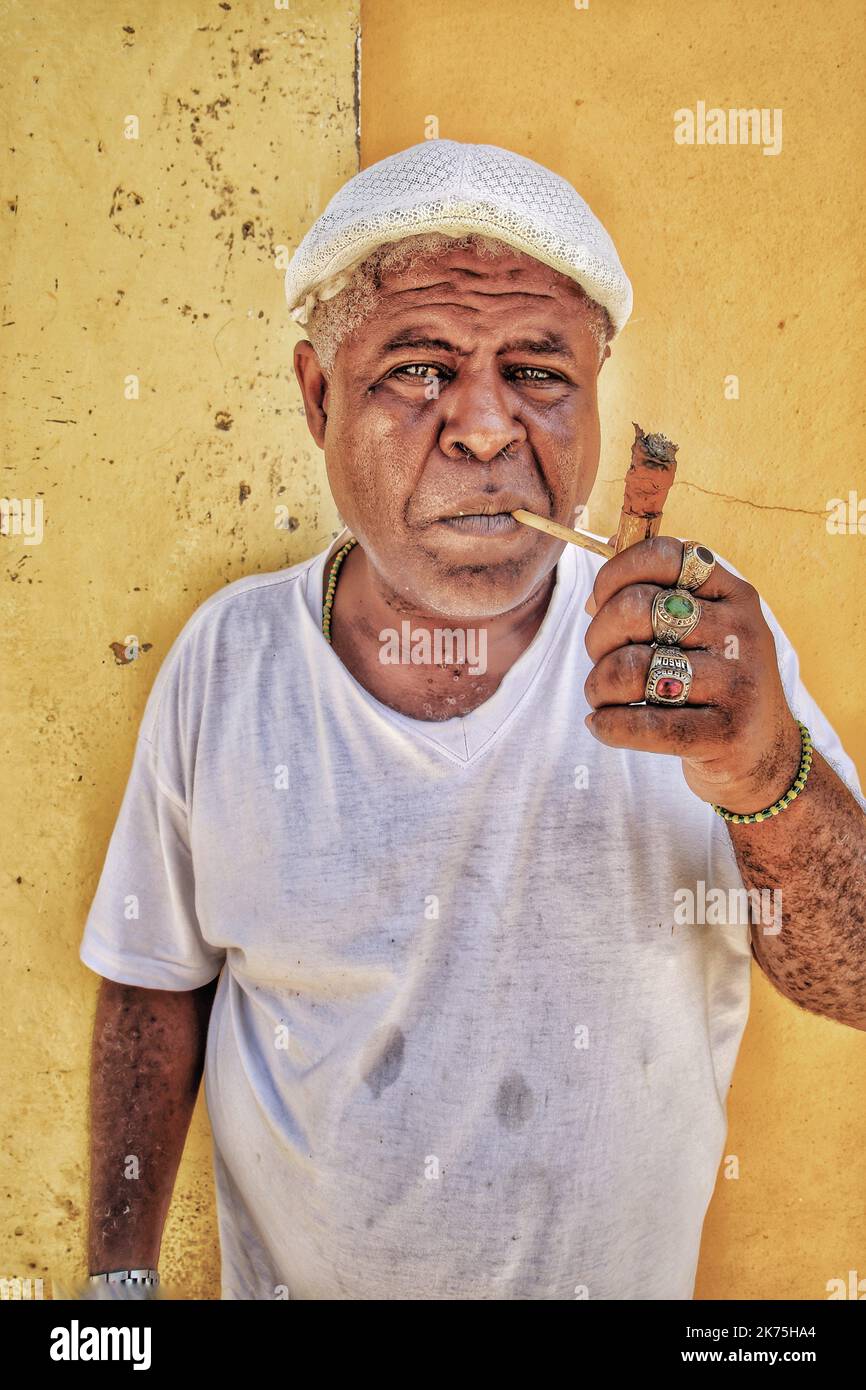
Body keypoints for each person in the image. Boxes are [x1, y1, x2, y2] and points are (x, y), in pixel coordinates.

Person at [80, 139, 866, 1301]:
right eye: (419, 367)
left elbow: (851, 980)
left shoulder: (695, 654)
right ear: (316, 396)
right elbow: (154, 983)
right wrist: (115, 1299)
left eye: (539, 372)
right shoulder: (229, 662)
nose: (487, 429)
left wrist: (763, 770)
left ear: (597, 401)